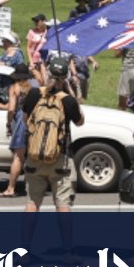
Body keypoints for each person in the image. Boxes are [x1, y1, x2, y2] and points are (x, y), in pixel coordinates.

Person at [21, 57, 83, 215]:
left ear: (47, 73)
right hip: (59, 157)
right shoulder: (68, 100)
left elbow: (25, 120)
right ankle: (66, 240)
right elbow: (80, 121)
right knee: (62, 203)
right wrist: (70, 93)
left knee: (33, 201)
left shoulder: (34, 94)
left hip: (34, 155)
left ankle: (26, 240)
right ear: (65, 78)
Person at [0, 64, 37, 198]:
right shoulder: (35, 86)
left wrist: (9, 123)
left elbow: (11, 109)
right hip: (35, 120)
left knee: (18, 157)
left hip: (21, 120)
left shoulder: (14, 87)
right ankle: (32, 187)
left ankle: (10, 188)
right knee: (32, 155)